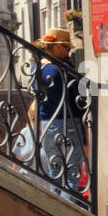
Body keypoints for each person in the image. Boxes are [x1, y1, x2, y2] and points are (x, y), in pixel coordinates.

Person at [31, 28, 88, 198]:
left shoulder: (36, 68)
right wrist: (70, 66)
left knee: (56, 173)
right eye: (66, 47)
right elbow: (78, 95)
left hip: (46, 123)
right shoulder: (62, 70)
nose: (67, 51)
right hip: (67, 122)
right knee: (71, 174)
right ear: (55, 47)